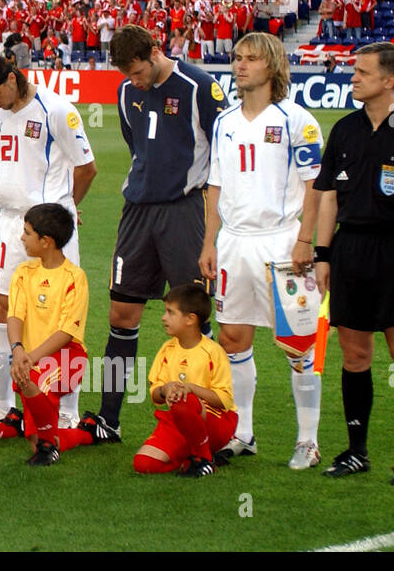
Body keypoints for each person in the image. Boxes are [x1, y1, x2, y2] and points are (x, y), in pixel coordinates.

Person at [80, 24, 227, 444]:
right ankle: (109, 420)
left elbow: (223, 150)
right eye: (126, 74)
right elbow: (137, 150)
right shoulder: (128, 93)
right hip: (137, 214)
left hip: (184, 211)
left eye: (138, 71)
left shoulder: (199, 86)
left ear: (157, 52)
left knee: (192, 317)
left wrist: (213, 227)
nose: (134, 80)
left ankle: (208, 426)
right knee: (121, 315)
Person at [314, 43, 394, 485]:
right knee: (354, 354)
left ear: (389, 80)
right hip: (349, 254)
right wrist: (323, 254)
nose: (353, 78)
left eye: (362, 73)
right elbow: (328, 197)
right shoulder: (345, 130)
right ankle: (356, 450)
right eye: (353, 71)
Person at [199, 33, 325, 469]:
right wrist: (209, 242)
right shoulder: (224, 121)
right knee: (233, 337)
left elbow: (317, 187)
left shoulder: (297, 120)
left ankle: (307, 441)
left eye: (250, 59)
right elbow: (214, 185)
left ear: (271, 67)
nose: (240, 66)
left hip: (282, 242)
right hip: (233, 243)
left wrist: (305, 239)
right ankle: (243, 433)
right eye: (237, 58)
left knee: (297, 344)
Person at [0, 53, 96, 426]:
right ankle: (5, 406)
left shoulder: (56, 109)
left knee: (61, 312)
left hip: (49, 225)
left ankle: (68, 411)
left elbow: (86, 169)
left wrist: (63, 213)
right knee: (2, 308)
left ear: (13, 78)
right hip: (8, 222)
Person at [0, 204, 97, 462]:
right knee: (35, 438)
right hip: (31, 358)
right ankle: (86, 433)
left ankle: (52, 446)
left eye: (27, 233)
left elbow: (66, 332)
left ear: (46, 241)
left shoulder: (74, 277)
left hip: (67, 357)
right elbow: (14, 315)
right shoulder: (24, 273)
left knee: (34, 387)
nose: (21, 238)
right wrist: (18, 350)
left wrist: (29, 358)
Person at [133, 283, 237, 477]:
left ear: (190, 319)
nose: (164, 317)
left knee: (185, 402)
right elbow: (155, 394)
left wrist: (190, 389)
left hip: (215, 422)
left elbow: (224, 401)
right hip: (177, 420)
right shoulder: (167, 349)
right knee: (143, 463)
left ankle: (203, 459)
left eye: (170, 313)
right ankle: (191, 457)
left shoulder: (213, 352)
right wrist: (166, 389)